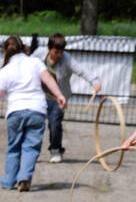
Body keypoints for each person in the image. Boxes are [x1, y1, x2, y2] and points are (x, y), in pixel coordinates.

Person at [0, 36, 66, 191]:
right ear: (22, 47)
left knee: (14, 147)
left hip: (15, 111)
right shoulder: (35, 62)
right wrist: (60, 95)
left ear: (5, 51)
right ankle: (24, 178)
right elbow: (48, 79)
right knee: (31, 147)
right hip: (37, 110)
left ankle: (8, 182)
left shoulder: (5, 70)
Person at [31, 33, 101, 162]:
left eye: (61, 52)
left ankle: (56, 150)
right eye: (56, 51)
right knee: (36, 123)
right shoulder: (39, 54)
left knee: (55, 123)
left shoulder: (67, 59)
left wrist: (95, 81)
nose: (59, 55)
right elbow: (27, 65)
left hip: (58, 98)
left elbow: (82, 70)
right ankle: (32, 152)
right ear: (48, 48)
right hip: (39, 95)